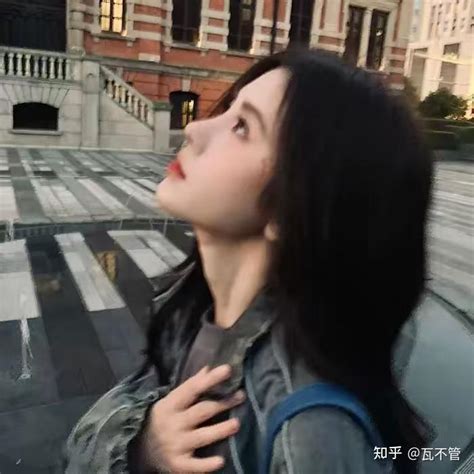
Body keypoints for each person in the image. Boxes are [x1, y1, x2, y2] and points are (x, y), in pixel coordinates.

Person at [63, 48, 433, 474]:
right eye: (228, 110)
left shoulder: (310, 434)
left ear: (293, 206)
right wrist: (143, 445)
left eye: (242, 126)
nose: (194, 128)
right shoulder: (191, 305)